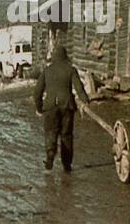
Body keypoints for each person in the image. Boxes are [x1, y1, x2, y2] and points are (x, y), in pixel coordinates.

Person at [33, 44, 90, 172]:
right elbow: (79, 88)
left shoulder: (47, 71)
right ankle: (67, 165)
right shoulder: (71, 69)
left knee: (50, 133)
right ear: (65, 56)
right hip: (67, 106)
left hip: (50, 107)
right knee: (66, 136)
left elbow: (37, 93)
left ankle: (50, 155)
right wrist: (85, 101)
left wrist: (39, 108)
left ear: (53, 57)